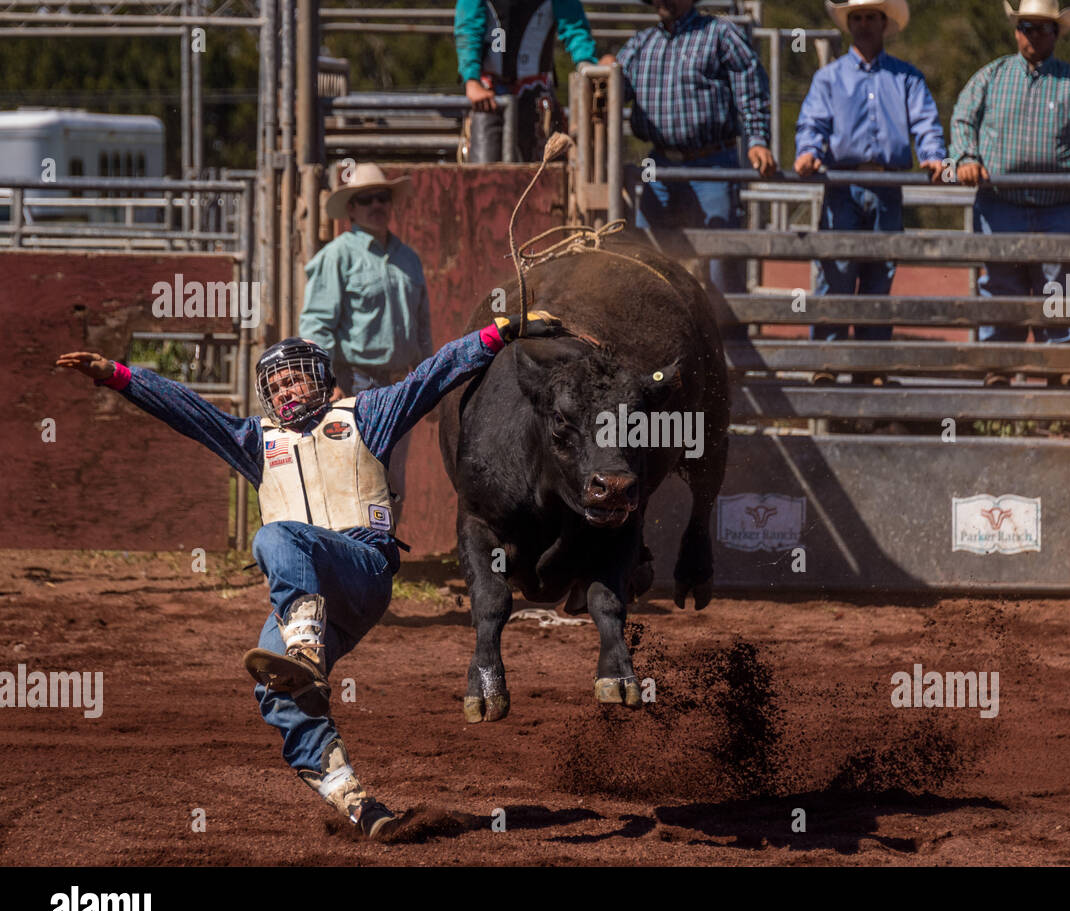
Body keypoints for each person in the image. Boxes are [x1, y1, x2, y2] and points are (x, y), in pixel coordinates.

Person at [54, 313, 562, 837]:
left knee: (274, 537)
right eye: (273, 385)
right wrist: (117, 375)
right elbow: (190, 412)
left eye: (293, 376)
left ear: (321, 376)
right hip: (312, 607)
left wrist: (502, 331)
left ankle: (303, 650)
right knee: (274, 689)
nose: (284, 389)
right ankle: (359, 804)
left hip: (361, 570)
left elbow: (433, 374)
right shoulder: (256, 440)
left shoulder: (367, 413)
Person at [950, 0, 1070, 374]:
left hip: (1059, 206)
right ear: (1017, 31)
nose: (1033, 34)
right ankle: (999, 370)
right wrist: (967, 158)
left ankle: (1060, 370)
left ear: (1056, 33)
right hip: (1001, 204)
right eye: (1026, 26)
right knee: (1002, 290)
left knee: (1058, 290)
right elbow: (962, 118)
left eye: (1042, 28)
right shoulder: (991, 77)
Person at [795, 0, 946, 344]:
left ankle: (872, 362)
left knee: (880, 273)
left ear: (884, 23)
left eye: (871, 17)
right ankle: (827, 360)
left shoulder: (906, 77)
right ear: (850, 24)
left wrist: (934, 155)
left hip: (887, 185)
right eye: (858, 17)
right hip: (842, 184)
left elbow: (925, 122)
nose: (864, 24)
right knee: (836, 271)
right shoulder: (829, 78)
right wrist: (808, 152)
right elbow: (813, 123)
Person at [300, 163, 431, 523]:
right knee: (351, 472)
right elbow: (317, 325)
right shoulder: (337, 256)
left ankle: (380, 558)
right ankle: (348, 558)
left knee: (392, 476)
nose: (377, 204)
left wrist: (429, 381)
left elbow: (422, 328)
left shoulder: (408, 259)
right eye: (366, 198)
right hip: (352, 381)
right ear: (351, 209)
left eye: (383, 197)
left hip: (400, 383)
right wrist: (327, 383)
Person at [617, 0, 777, 293]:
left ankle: (729, 334)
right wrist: (604, 70)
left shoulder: (719, 34)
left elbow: (751, 90)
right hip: (659, 163)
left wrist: (757, 140)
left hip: (712, 161)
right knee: (645, 253)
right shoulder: (641, 45)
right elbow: (613, 84)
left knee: (721, 257)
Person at [455, 0, 606, 162]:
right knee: (485, 170)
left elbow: (575, 28)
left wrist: (587, 66)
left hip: (536, 94)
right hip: (489, 95)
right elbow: (468, 28)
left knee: (546, 168)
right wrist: (472, 80)